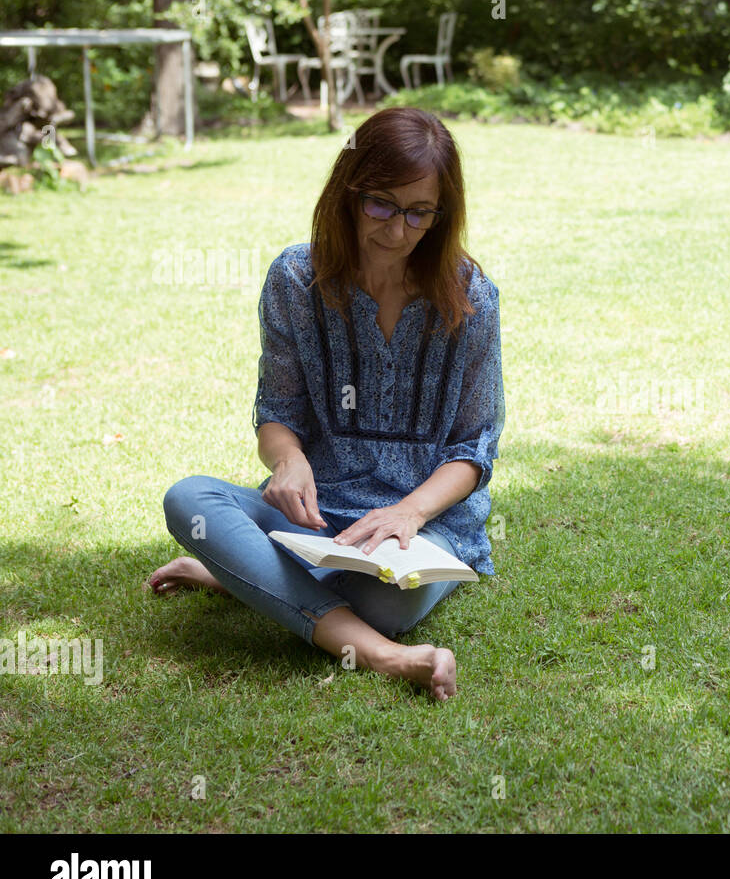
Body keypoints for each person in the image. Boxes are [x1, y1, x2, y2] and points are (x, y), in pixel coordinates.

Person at [143, 107, 505, 702]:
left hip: (423, 525)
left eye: (419, 212)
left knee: (383, 602)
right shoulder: (294, 279)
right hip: (317, 516)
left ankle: (243, 577)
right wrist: (288, 460)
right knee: (190, 499)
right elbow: (278, 411)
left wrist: (408, 514)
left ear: (443, 213)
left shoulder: (471, 300)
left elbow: (474, 448)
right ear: (348, 190)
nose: (396, 230)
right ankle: (387, 657)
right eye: (381, 205)